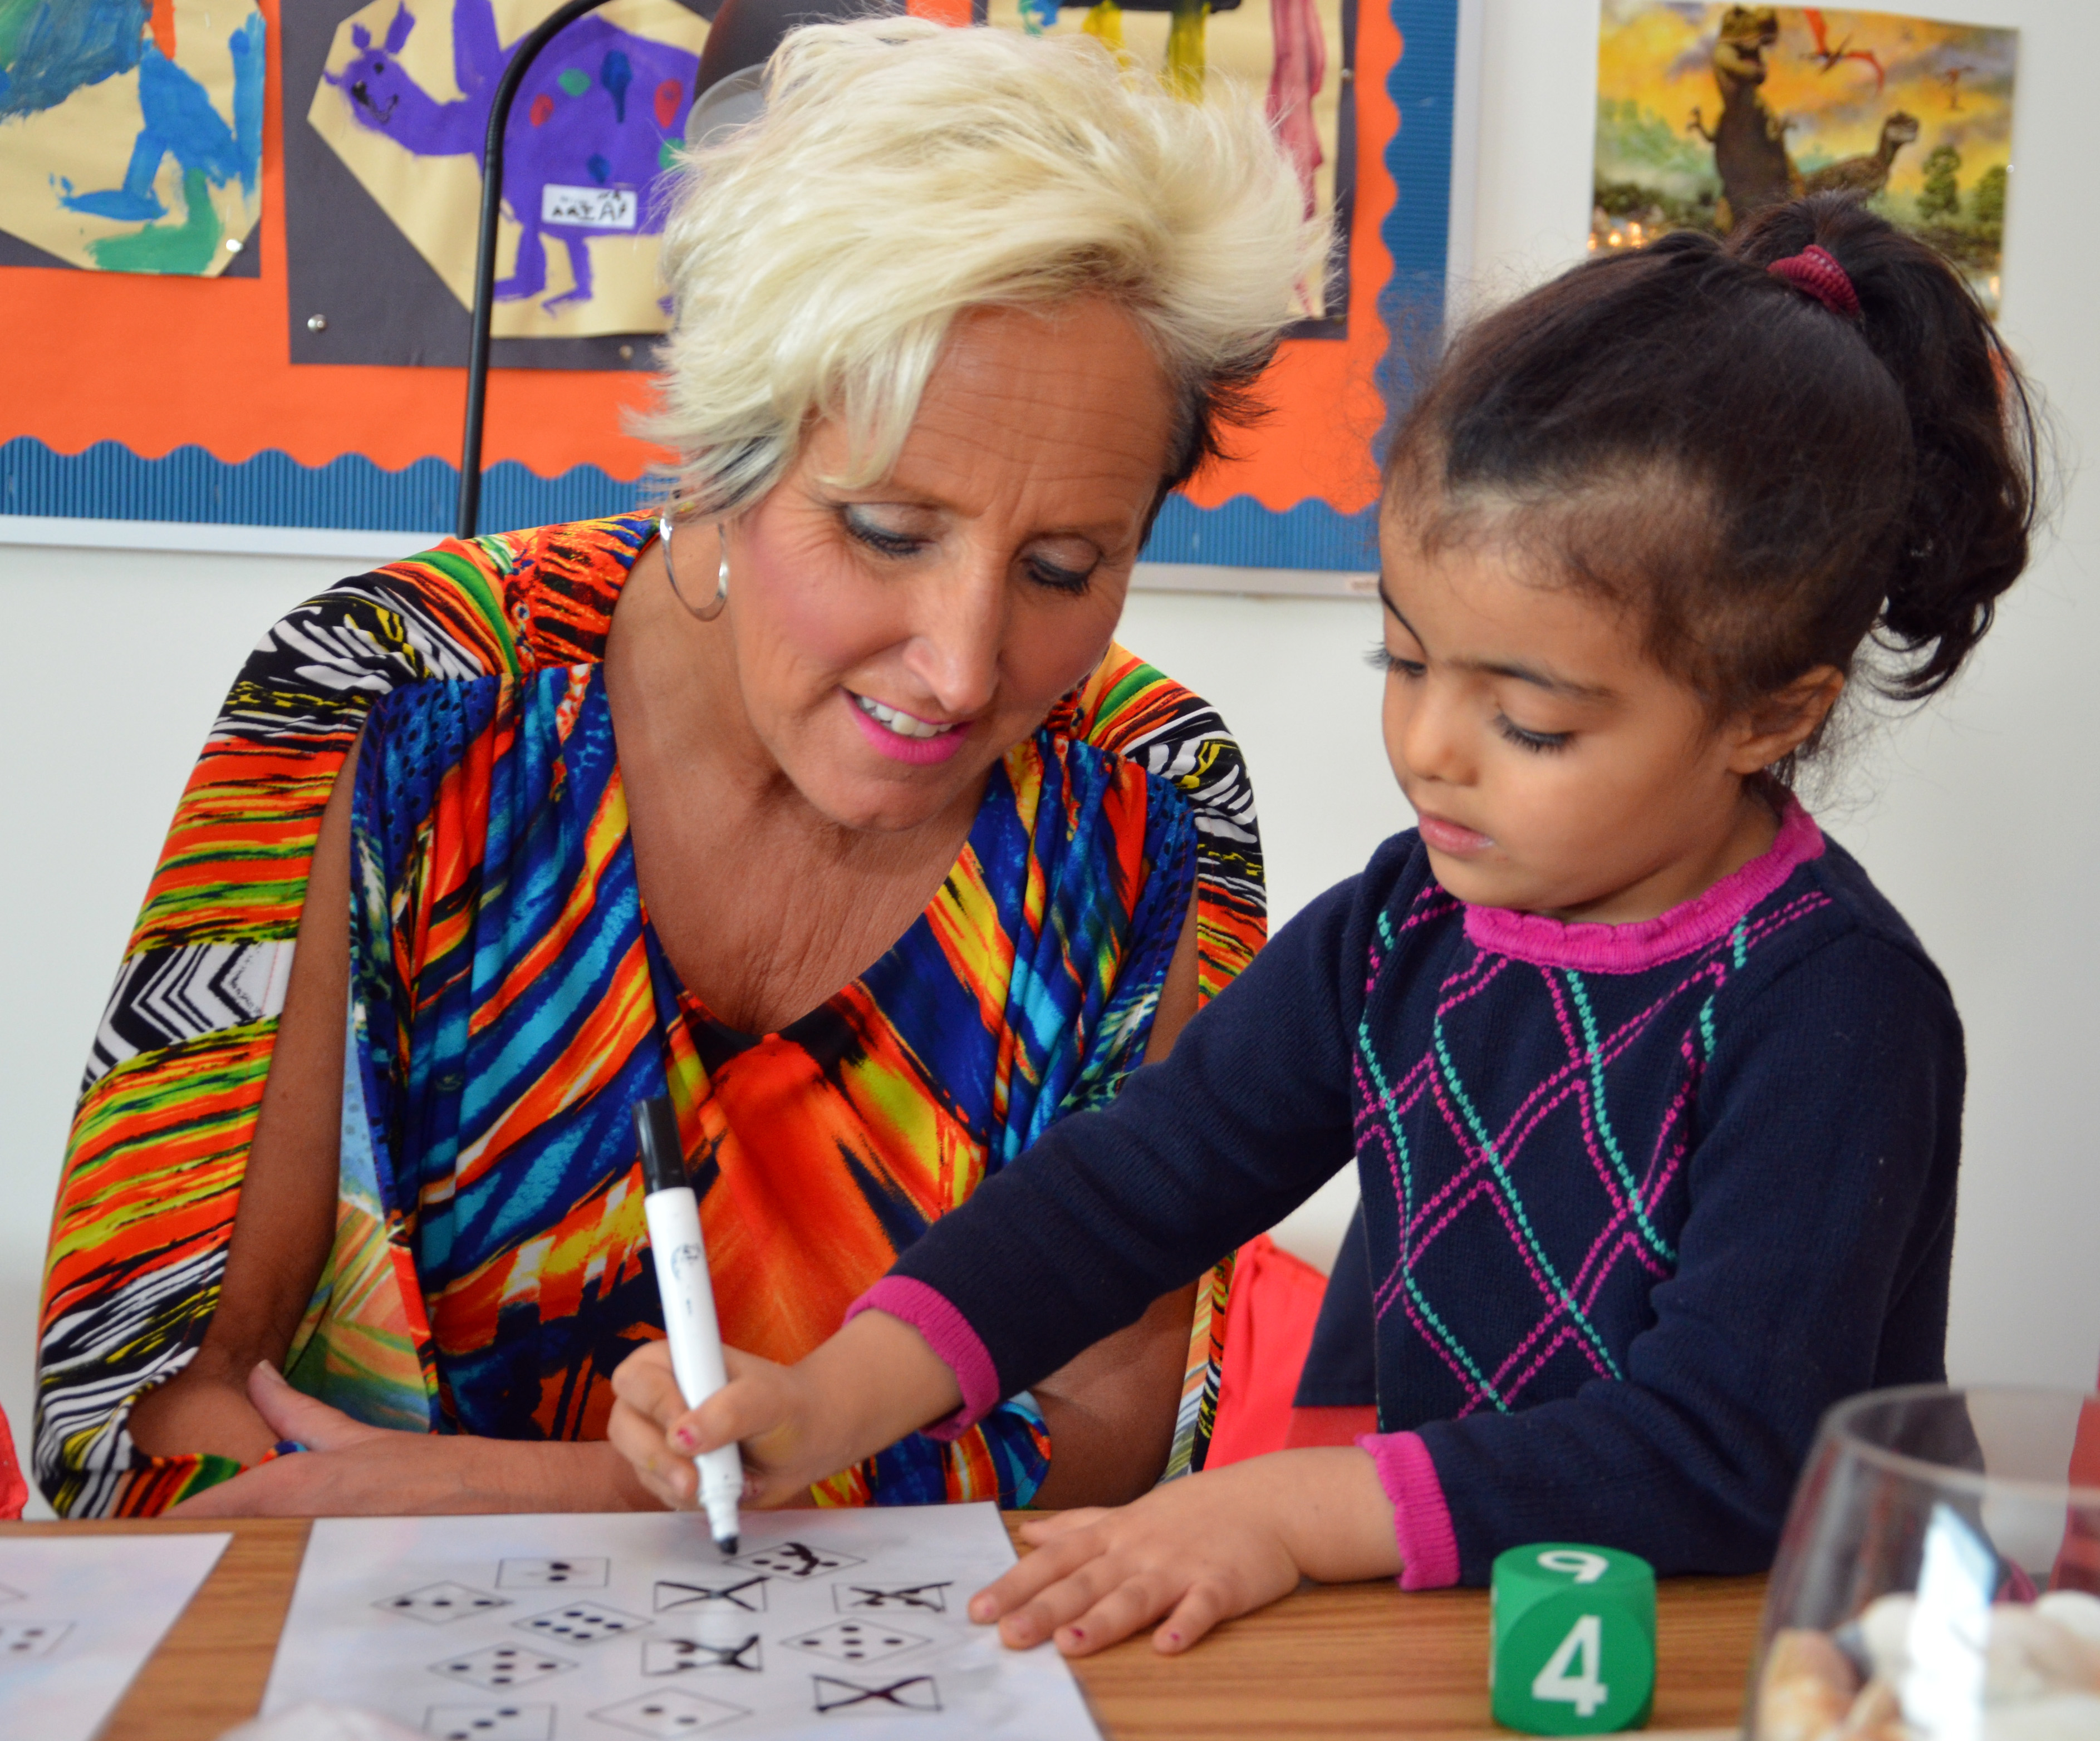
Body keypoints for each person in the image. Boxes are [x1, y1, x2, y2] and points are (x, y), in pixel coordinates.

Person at [606, 194, 2040, 1649]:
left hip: (1783, 1662)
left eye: (1527, 719)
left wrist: (1288, 1511)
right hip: (1483, 1646)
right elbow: (1121, 1195)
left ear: (1764, 717)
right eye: (1402, 660)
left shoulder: (1829, 1004)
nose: (1427, 746)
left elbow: (1720, 1451)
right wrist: (824, 1399)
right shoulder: (1401, 928)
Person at [35, 19, 1322, 1518]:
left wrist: (521, 1499)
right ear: (718, 462)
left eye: (1062, 566)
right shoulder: (398, 695)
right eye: (886, 534)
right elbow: (159, 1406)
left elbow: (1101, 1448)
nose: (966, 666)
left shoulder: (1145, 798)